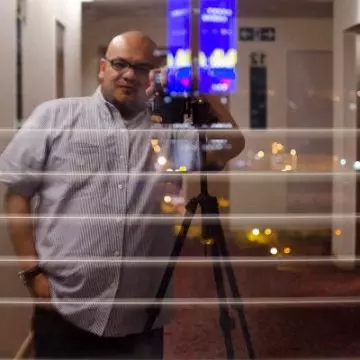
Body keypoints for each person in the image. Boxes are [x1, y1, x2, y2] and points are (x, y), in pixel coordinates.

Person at [0, 31, 245, 359]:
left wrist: (199, 87)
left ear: (152, 76)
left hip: (140, 311)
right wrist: (32, 272)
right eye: (120, 64)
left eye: (141, 67)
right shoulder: (55, 117)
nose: (129, 74)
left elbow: (232, 145)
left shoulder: (166, 132)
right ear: (103, 68)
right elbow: (17, 193)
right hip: (64, 303)